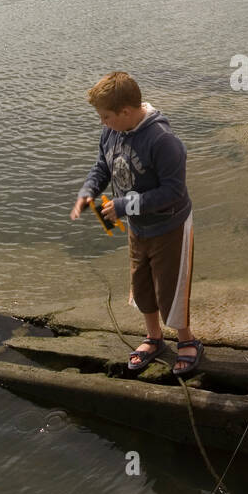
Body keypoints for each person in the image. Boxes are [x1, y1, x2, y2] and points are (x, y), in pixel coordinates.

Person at [70, 71, 202, 378]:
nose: (102, 122)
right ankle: (153, 338)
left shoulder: (163, 140)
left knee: (171, 287)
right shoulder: (112, 132)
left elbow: (173, 192)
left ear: (126, 112)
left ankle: (187, 341)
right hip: (137, 227)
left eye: (105, 117)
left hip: (170, 227)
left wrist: (121, 206)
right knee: (141, 283)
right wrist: (88, 190)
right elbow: (102, 165)